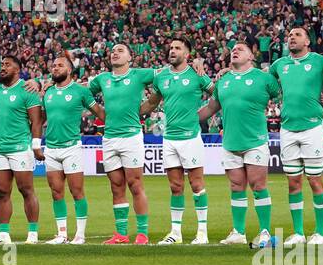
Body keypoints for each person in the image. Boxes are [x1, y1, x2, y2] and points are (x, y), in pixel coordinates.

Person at [198, 41, 281, 248]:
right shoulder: (224, 81)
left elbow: (283, 94)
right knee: (236, 186)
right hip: (230, 142)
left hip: (255, 141)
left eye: (240, 49)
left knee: (258, 185)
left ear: (251, 56)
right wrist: (189, 119)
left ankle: (264, 232)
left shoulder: (264, 78)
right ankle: (239, 232)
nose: (234, 51)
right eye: (233, 50)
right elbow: (212, 106)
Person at [269, 27, 323, 246]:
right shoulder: (279, 65)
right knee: (293, 183)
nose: (291, 37)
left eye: (297, 35)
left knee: (315, 181)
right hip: (287, 128)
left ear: (308, 41)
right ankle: (298, 232)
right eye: (289, 35)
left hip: (312, 128)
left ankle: (319, 232)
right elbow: (263, 82)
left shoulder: (321, 61)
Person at [141, 37, 212, 245]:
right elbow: (152, 103)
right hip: (169, 138)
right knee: (175, 186)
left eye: (177, 48)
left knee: (197, 184)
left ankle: (202, 232)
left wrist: (203, 114)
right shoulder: (161, 77)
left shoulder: (197, 75)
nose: (172, 50)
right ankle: (176, 233)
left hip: (190, 137)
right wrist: (132, 114)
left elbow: (217, 94)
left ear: (187, 54)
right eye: (171, 47)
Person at [88, 42, 156, 245]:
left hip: (131, 137)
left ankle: (142, 233)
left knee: (135, 185)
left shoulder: (139, 75)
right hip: (109, 138)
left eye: (120, 51)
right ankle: (121, 234)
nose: (115, 53)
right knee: (116, 186)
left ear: (130, 57)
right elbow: (82, 92)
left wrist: (151, 103)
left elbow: (167, 75)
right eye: (113, 51)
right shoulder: (102, 79)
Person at [41, 52, 104, 244]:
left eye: (59, 65)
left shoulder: (80, 91)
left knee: (76, 191)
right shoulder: (48, 92)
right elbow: (41, 118)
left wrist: (114, 126)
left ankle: (80, 234)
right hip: (51, 148)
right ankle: (61, 234)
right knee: (56, 192)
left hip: (71, 147)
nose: (55, 68)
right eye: (53, 66)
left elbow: (99, 112)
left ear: (69, 70)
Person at [0, 55, 44, 246]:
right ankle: (4, 234)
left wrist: (35, 145)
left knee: (26, 190)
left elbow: (36, 120)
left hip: (20, 148)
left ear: (17, 70)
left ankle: (32, 233)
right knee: (2, 192)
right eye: (1, 64)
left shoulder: (27, 89)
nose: (2, 67)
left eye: (7, 65)